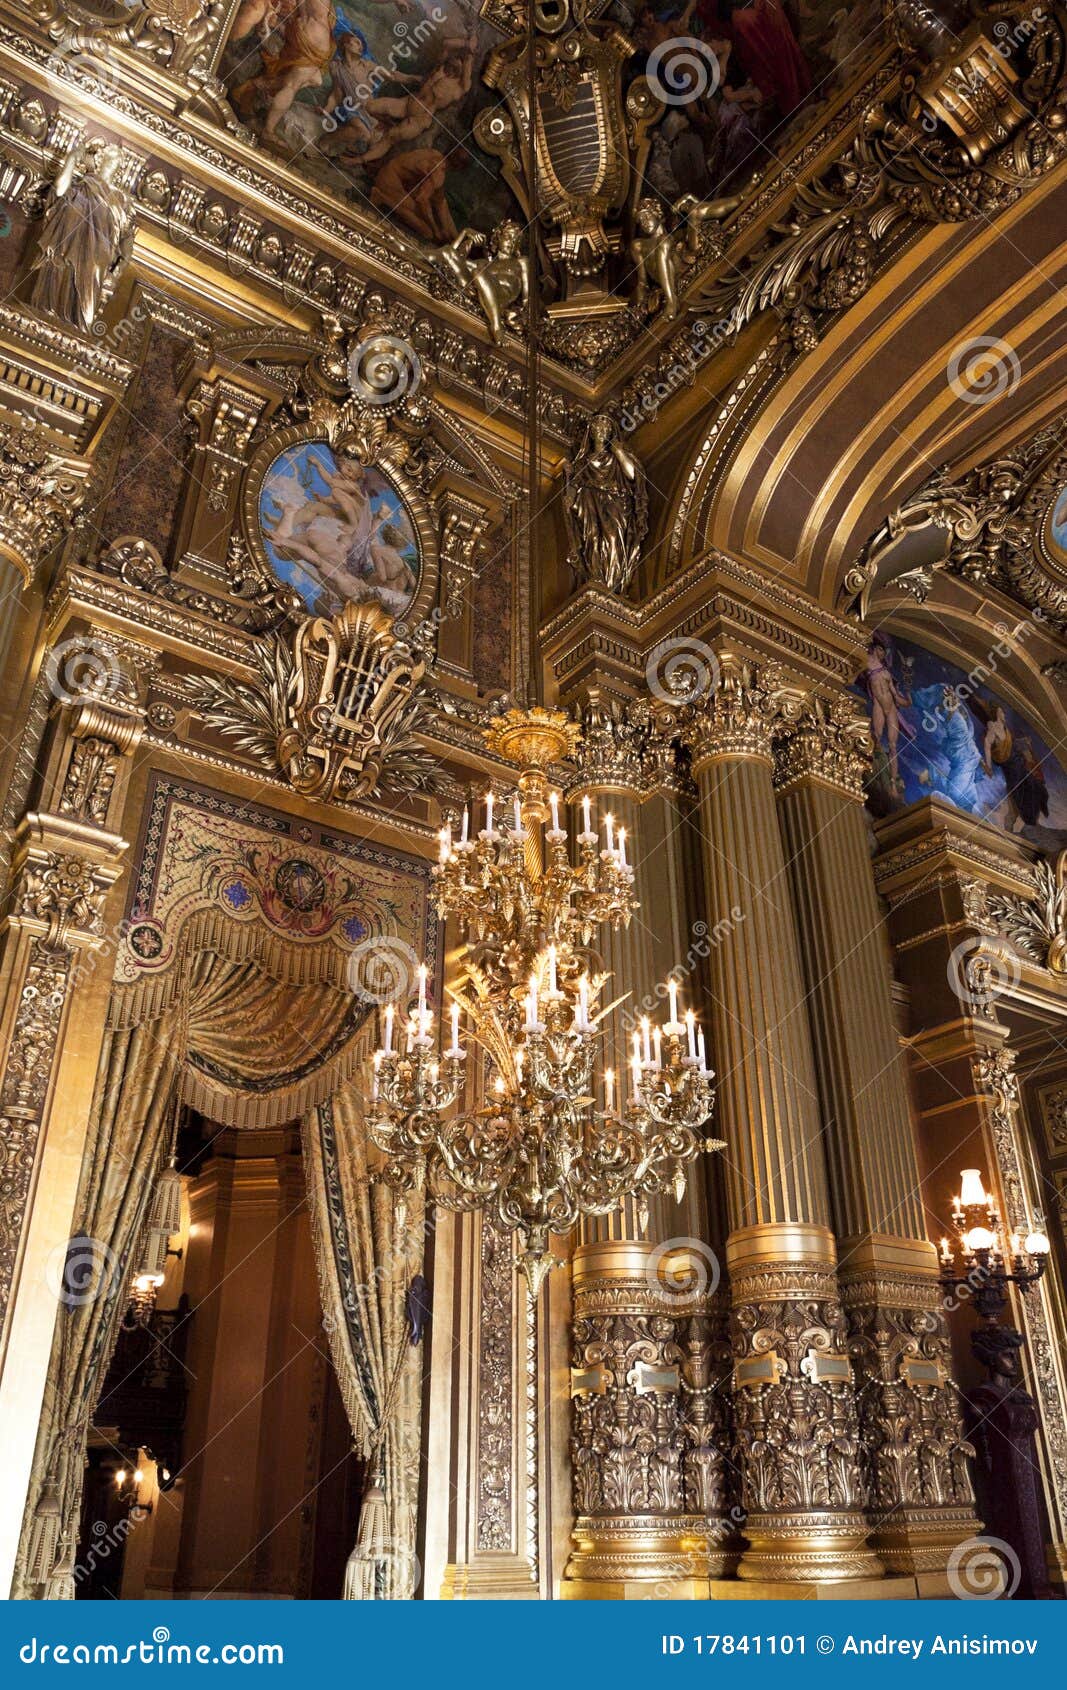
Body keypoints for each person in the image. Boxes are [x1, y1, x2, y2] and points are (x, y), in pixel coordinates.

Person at [29, 142, 134, 335]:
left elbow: (127, 242)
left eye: (117, 161)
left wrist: (117, 271)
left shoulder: (122, 201)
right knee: (58, 280)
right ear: (98, 160)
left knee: (84, 307)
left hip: (97, 260)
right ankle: (47, 318)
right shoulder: (80, 187)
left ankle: (75, 331)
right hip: (66, 248)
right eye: (109, 157)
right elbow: (59, 191)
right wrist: (71, 159)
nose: (113, 163)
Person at [358, 34, 477, 163]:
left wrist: (470, 50)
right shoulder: (439, 69)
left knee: (391, 136)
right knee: (370, 106)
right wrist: (466, 44)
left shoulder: (460, 88)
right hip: (406, 103)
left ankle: (359, 160)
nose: (455, 63)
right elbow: (446, 43)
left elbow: (468, 59)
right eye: (455, 59)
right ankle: (384, 124)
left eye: (460, 62)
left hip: (419, 119)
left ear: (464, 68)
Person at [368, 147, 458, 242]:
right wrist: (436, 230)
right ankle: (381, 197)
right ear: (458, 167)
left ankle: (456, 238)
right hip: (388, 180)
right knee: (427, 231)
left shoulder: (435, 154)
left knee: (425, 218)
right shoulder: (437, 169)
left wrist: (454, 236)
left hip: (391, 177)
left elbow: (441, 203)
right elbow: (422, 200)